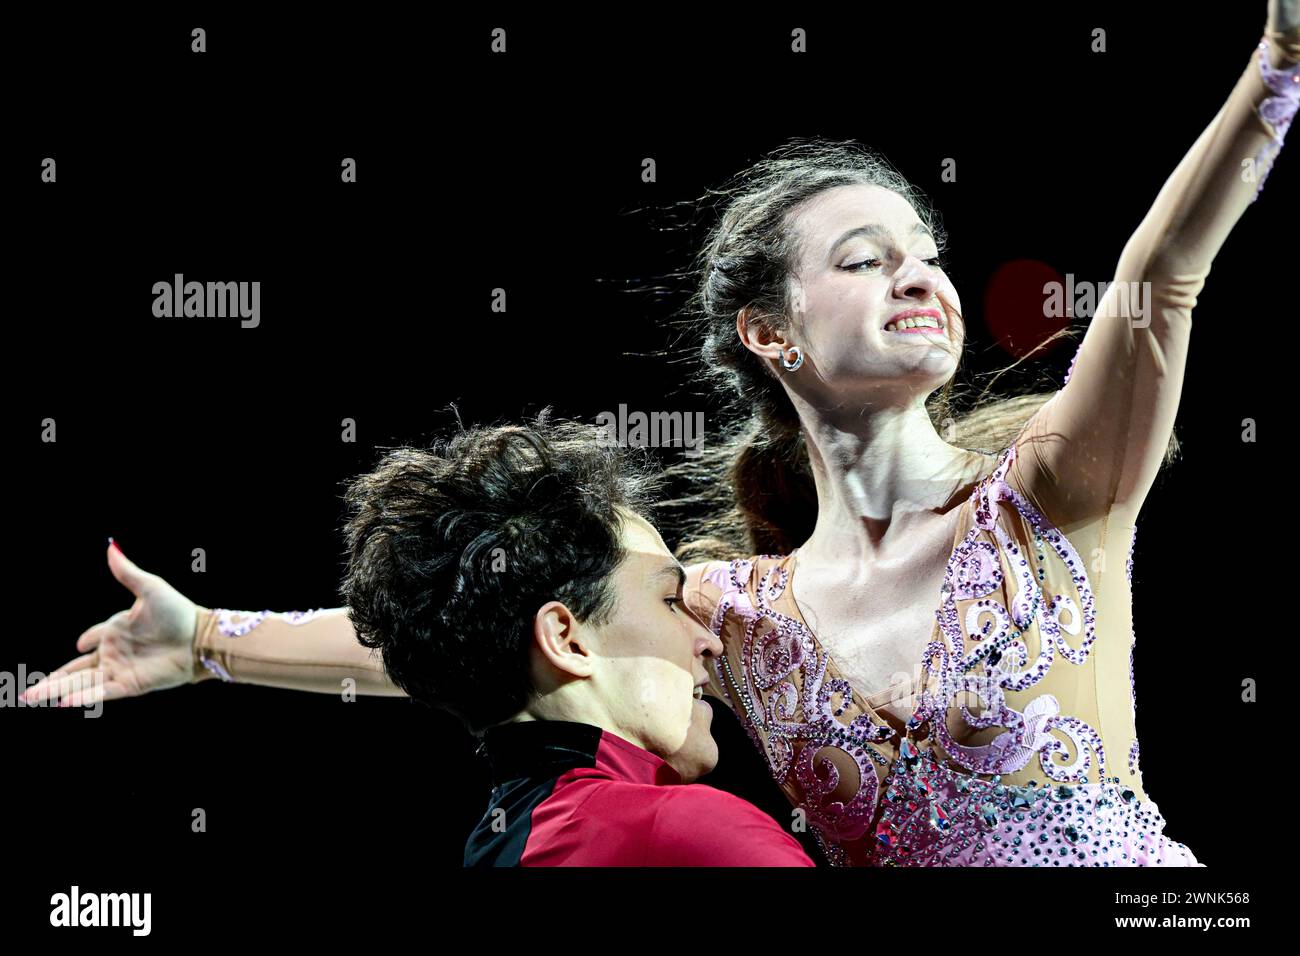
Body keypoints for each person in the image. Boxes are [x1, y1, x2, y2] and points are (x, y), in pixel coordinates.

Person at [27, 10, 1300, 867]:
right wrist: (205, 642)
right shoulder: (737, 612)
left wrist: (1272, 77)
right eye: (865, 260)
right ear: (770, 334)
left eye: (929, 256)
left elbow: (1160, 275)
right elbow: (483, 630)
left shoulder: (1053, 497)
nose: (921, 278)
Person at [29, 419, 813, 867]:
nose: (711, 639)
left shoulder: (512, 837)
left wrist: (210, 639)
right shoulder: (684, 833)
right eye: (674, 600)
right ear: (568, 638)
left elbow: (478, 636)